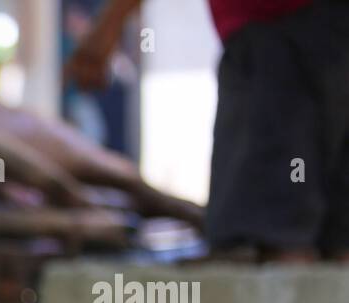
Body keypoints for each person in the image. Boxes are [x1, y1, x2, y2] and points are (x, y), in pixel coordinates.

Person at [67, 0, 349, 262]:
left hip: (275, 35)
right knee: (332, 241)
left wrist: (107, 25)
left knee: (269, 242)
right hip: (316, 34)